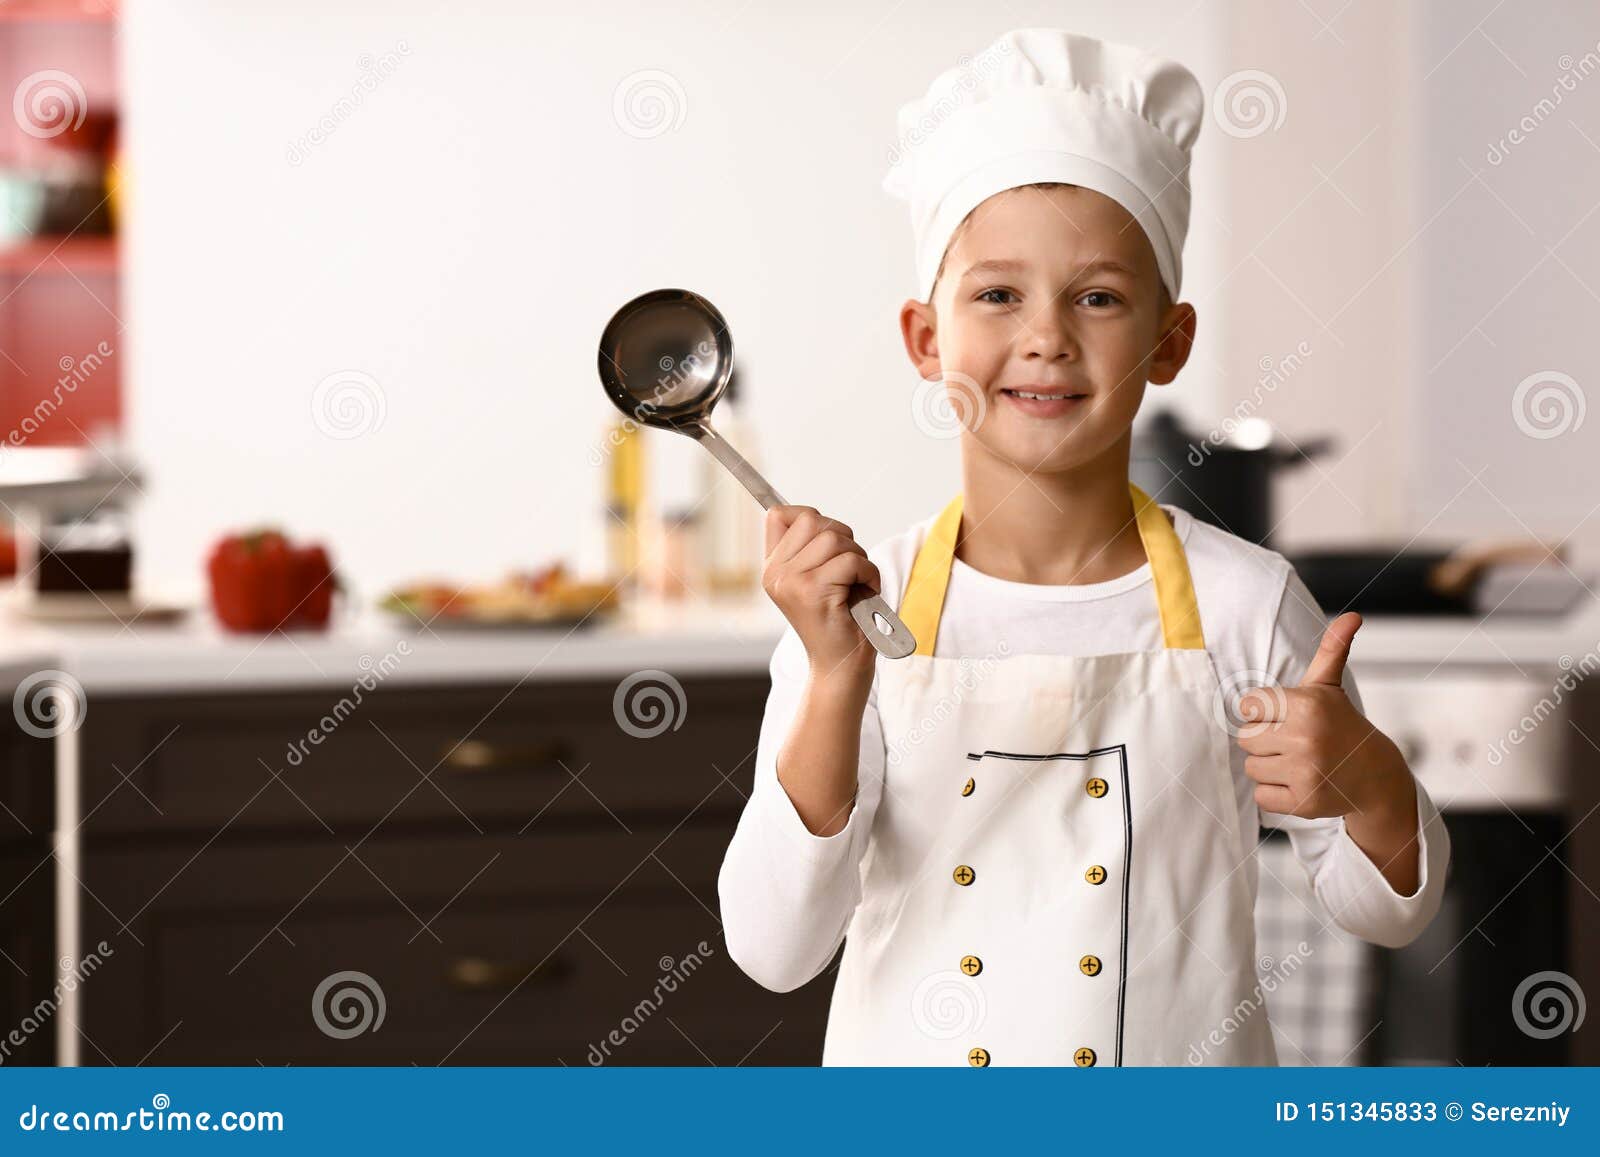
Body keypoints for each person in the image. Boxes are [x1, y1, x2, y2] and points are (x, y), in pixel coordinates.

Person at [716, 27, 1449, 1067]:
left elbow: (1385, 911)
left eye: (1098, 296)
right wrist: (836, 680)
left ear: (1168, 338)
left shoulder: (1246, 600)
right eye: (997, 294)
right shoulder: (850, 620)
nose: (1047, 335)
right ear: (927, 338)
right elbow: (774, 947)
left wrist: (1370, 778)